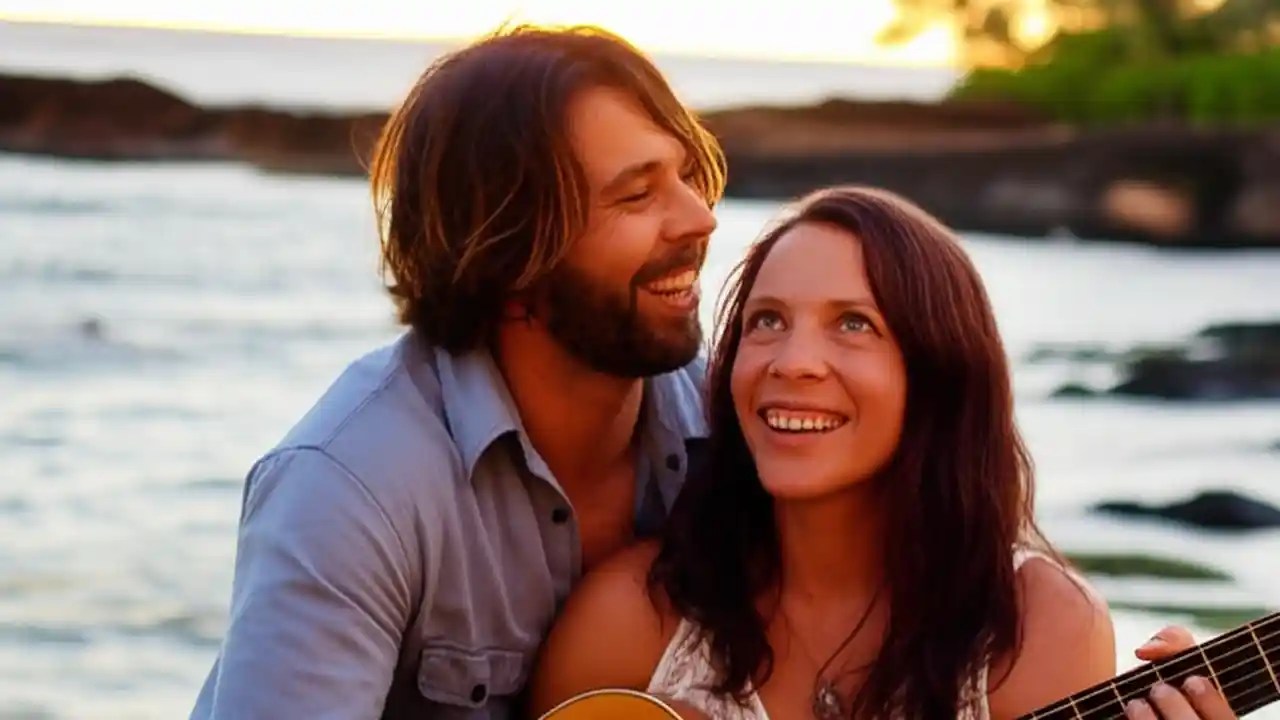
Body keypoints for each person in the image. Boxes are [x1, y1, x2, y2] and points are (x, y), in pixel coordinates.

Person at [528, 187, 1238, 720]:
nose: (793, 361)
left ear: (937, 374)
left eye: (854, 324)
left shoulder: (1035, 628)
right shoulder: (631, 622)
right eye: (767, 321)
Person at [191, 24, 724, 719]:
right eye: (636, 196)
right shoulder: (349, 488)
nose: (700, 218)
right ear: (507, 256)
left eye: (686, 175)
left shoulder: (728, 424)